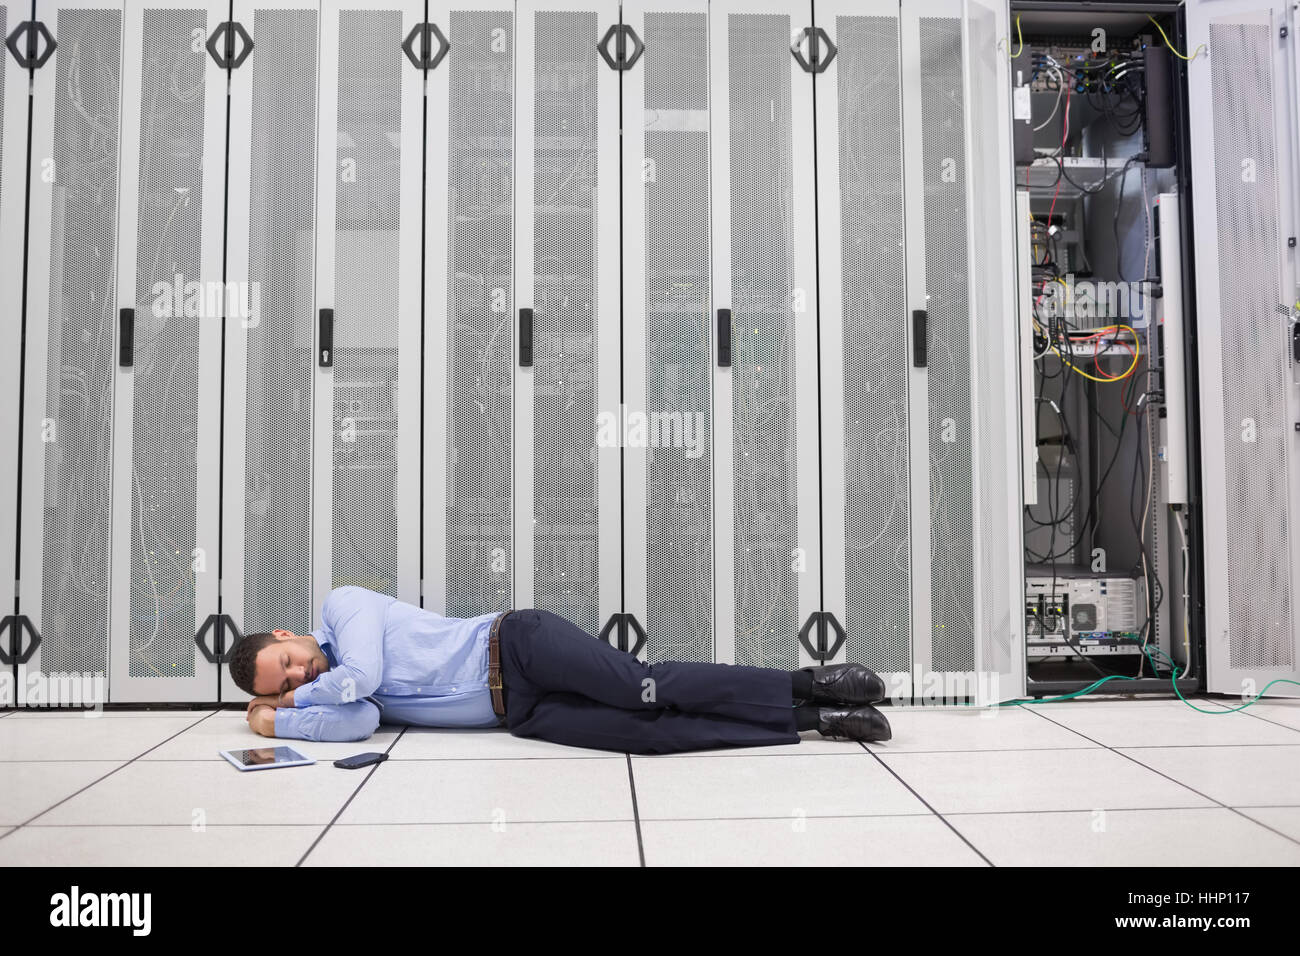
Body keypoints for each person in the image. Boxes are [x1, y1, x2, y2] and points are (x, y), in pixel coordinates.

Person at [227, 585, 892, 755]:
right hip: (520, 714)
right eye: (283, 683)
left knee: (642, 688)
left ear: (288, 634)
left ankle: (808, 681)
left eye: (286, 664)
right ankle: (811, 721)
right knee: (649, 737)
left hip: (516, 645)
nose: (297, 677)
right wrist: (284, 721)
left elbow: (365, 680)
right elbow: (359, 722)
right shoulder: (320, 692)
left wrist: (284, 707)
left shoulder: (342, 611)